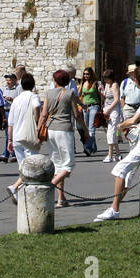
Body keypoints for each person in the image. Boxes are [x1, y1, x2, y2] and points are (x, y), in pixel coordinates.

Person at [93, 66, 140, 222]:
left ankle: (114, 209)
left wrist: (121, 125)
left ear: (136, 81)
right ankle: (114, 206)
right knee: (127, 173)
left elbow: (134, 119)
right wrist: (132, 127)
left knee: (120, 169)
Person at [43, 69, 87, 206]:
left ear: (55, 81)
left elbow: (43, 114)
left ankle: (61, 198)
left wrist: (39, 129)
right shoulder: (70, 93)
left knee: (57, 164)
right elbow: (76, 114)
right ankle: (48, 187)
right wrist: (85, 130)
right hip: (64, 130)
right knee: (68, 165)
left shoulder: (48, 93)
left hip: (51, 130)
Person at [4, 72, 41, 203]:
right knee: (32, 167)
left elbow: (10, 123)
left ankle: (23, 193)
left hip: (17, 137)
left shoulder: (17, 100)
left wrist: (9, 140)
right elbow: (37, 107)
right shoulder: (33, 96)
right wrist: (38, 121)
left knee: (23, 167)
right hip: (28, 136)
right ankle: (15, 187)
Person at [100, 69, 122, 162]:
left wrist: (109, 109)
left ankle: (110, 155)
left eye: (106, 78)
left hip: (114, 110)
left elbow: (117, 99)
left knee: (111, 131)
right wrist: (100, 92)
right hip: (107, 109)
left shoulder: (114, 85)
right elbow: (104, 97)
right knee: (111, 131)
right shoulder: (107, 85)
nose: (105, 80)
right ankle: (118, 154)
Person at [79, 67, 101, 156]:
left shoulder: (96, 83)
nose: (86, 76)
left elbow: (101, 95)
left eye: (87, 74)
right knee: (86, 129)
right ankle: (93, 146)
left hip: (94, 106)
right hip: (85, 107)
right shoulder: (83, 83)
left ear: (91, 74)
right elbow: (79, 94)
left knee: (91, 128)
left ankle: (88, 148)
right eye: (84, 74)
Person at [1, 72, 23, 162]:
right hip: (6, 111)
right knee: (8, 133)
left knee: (14, 133)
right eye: (7, 80)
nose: (8, 81)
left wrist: (12, 99)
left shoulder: (19, 89)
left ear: (15, 80)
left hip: (15, 112)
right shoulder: (5, 89)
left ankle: (11, 153)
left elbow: (21, 100)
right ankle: (9, 153)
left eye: (9, 80)